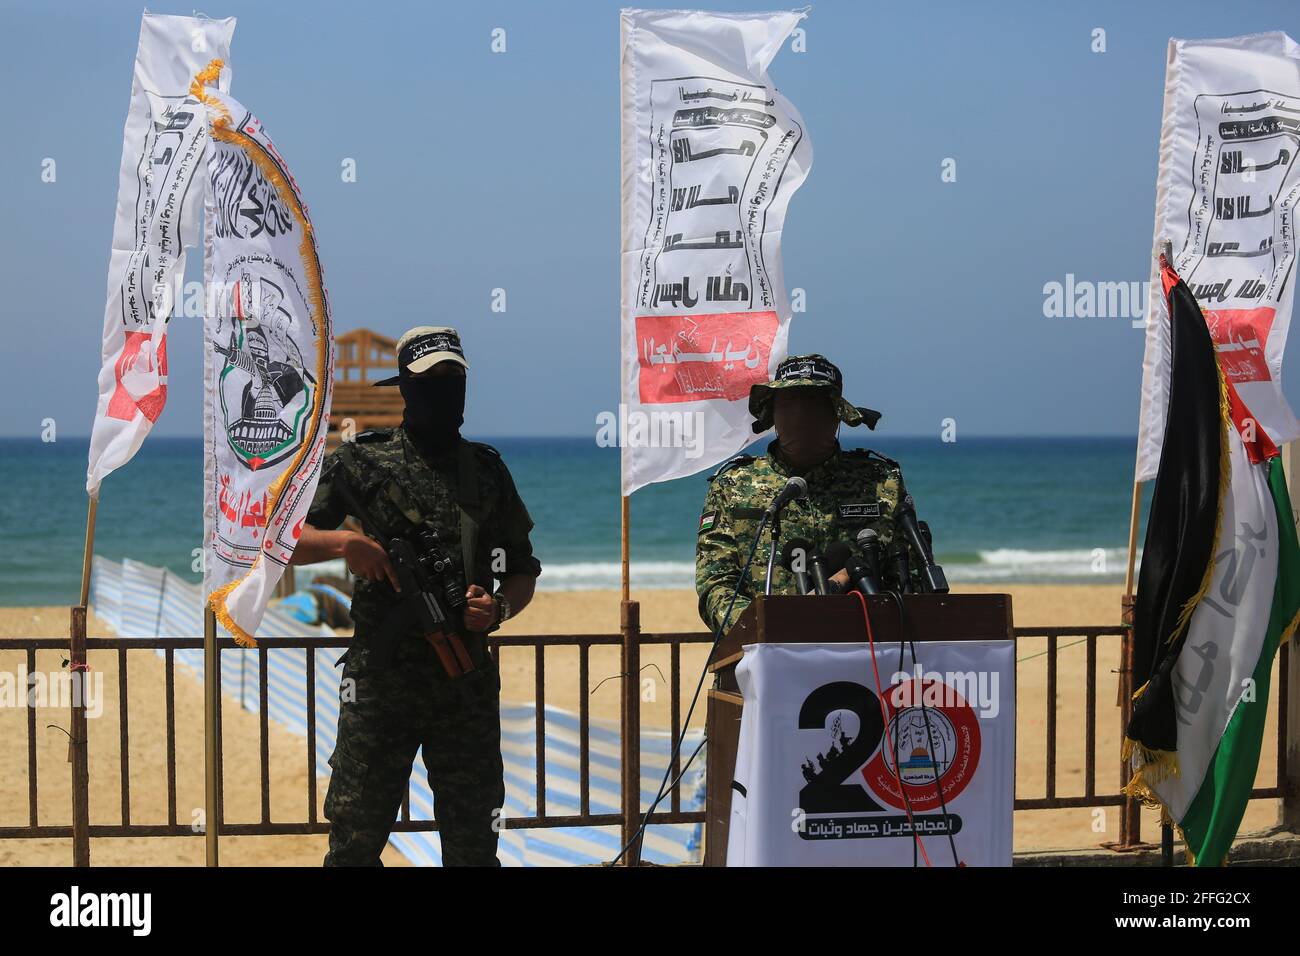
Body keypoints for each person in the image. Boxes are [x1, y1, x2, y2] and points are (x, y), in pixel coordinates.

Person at [292, 326, 541, 866]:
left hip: (464, 686)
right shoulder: (360, 463)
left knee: (474, 845)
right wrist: (344, 543)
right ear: (405, 386)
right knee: (355, 843)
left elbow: (522, 569)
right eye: (432, 380)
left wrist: (498, 607)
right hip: (381, 688)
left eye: (455, 379)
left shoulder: (487, 470)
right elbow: (280, 543)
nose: (446, 391)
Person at [695, 353, 907, 634]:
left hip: (867, 654)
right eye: (791, 402)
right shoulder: (733, 486)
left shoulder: (882, 484)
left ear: (837, 414)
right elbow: (715, 585)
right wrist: (772, 627)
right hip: (764, 656)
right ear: (773, 413)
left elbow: (909, 580)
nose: (802, 415)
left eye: (815, 403)